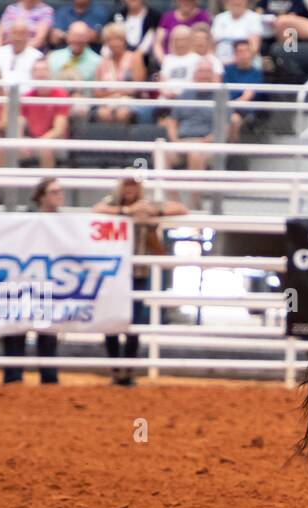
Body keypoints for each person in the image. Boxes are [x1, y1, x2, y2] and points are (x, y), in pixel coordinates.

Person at [91, 178, 188, 386]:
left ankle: (128, 369)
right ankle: (116, 368)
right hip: (115, 274)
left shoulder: (146, 205)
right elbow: (96, 210)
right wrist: (126, 212)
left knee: (134, 321)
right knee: (113, 320)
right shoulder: (112, 203)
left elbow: (181, 209)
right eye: (127, 185)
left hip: (136, 273)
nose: (130, 189)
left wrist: (154, 213)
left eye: (133, 185)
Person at [1, 178, 63, 385]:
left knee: (47, 330)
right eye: (54, 192)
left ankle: (48, 376)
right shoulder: (26, 219)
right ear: (42, 196)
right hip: (23, 279)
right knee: (17, 327)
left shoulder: (65, 223)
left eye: (59, 192)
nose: (59, 196)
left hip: (49, 280)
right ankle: (13, 376)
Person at [162, 57, 215, 173]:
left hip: (207, 144)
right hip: (183, 141)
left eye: (207, 72)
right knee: (162, 153)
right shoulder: (184, 95)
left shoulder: (220, 97)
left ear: (212, 75)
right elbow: (172, 121)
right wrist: (175, 141)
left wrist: (204, 141)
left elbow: (224, 127)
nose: (204, 76)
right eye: (201, 72)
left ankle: (194, 191)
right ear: (195, 75)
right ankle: (169, 191)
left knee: (195, 154)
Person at [93, 21, 149, 123]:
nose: (114, 43)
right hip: (108, 101)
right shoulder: (102, 62)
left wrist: (118, 93)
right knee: (103, 114)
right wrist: (115, 93)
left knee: (122, 113)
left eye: (118, 39)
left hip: (130, 100)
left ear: (124, 40)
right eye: (110, 40)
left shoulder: (135, 58)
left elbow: (138, 87)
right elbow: (97, 92)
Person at [20, 58, 70, 166]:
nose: (40, 73)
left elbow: (58, 130)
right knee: (5, 148)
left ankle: (48, 182)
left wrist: (39, 142)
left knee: (45, 148)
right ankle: (9, 181)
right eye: (36, 70)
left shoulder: (60, 95)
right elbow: (19, 125)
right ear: (32, 75)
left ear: (50, 73)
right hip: (33, 139)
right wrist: (20, 142)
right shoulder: (26, 97)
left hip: (55, 141)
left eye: (44, 70)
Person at [222, 37, 263, 141]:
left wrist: (230, 106)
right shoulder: (226, 71)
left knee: (233, 119)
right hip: (225, 106)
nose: (244, 55)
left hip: (244, 110)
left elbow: (247, 95)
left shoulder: (256, 74)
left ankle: (230, 153)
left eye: (246, 51)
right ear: (235, 54)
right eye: (240, 51)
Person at [154, 0, 210, 66]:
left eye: (189, 1)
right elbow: (157, 43)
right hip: (170, 62)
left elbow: (209, 42)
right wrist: (165, 63)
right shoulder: (167, 17)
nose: (185, 3)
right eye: (182, 1)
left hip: (195, 64)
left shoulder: (203, 16)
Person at [158, 24, 200, 96]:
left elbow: (196, 82)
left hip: (187, 98)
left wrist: (181, 95)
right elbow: (163, 81)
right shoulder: (168, 59)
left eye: (183, 40)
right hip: (167, 97)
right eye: (177, 40)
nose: (180, 43)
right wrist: (167, 93)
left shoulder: (196, 59)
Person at [116, 0, 158, 66]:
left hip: (147, 62)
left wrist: (138, 55)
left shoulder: (155, 17)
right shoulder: (117, 16)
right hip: (120, 62)